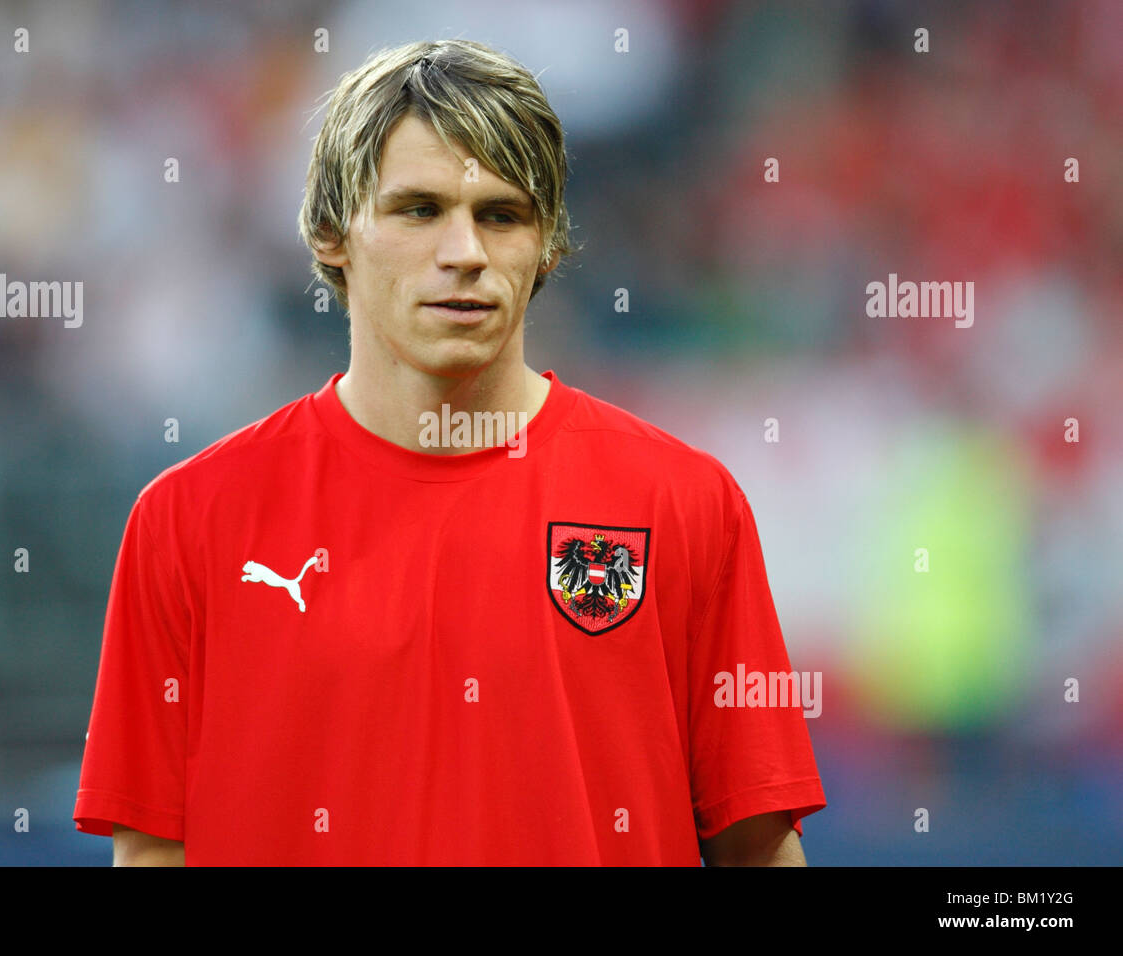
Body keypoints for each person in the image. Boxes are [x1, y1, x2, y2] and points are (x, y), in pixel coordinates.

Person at [72, 38, 825, 866]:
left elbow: (757, 847)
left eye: (501, 215)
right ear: (331, 233)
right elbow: (152, 852)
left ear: (546, 246)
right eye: (420, 210)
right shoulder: (189, 522)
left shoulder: (683, 504)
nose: (464, 252)